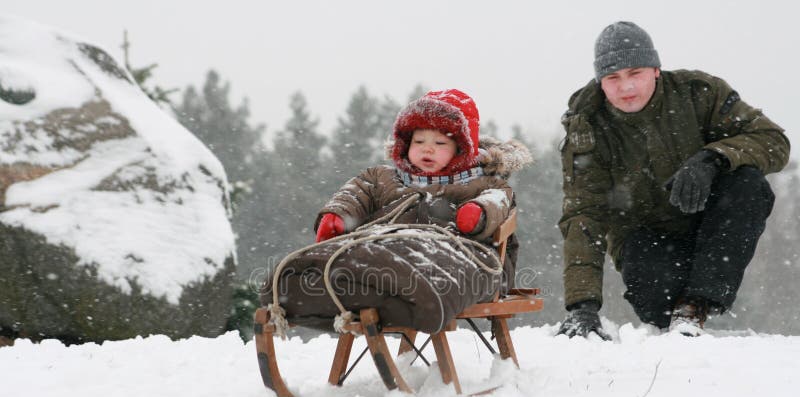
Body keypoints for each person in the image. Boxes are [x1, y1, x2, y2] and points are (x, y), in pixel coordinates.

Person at [556, 21, 790, 338]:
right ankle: (674, 310)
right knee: (656, 301)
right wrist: (582, 306)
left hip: (710, 225)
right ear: (601, 82)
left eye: (635, 73)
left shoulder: (700, 94)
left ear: (655, 69)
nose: (626, 88)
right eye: (613, 78)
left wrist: (713, 158)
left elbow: (773, 141)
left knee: (749, 184)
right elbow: (584, 212)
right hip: (645, 238)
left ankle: (694, 306)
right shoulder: (589, 127)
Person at [315, 88, 531, 281]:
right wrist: (338, 216)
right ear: (406, 144)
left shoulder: (481, 183)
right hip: (385, 254)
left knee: (424, 270)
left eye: (439, 143)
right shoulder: (383, 177)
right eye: (419, 142)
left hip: (458, 257)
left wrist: (478, 213)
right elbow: (356, 193)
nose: (427, 149)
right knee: (346, 265)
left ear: (461, 150)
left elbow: (496, 200)